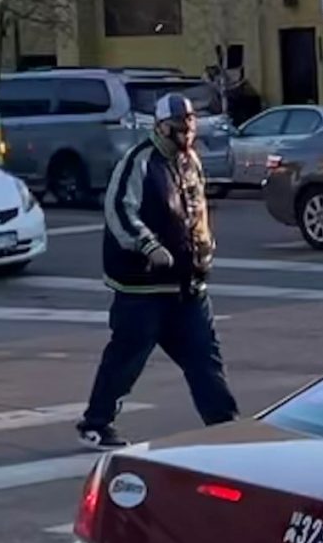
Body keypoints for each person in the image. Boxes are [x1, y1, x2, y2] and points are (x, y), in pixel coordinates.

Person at [78, 93, 238, 449]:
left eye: (189, 127)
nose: (184, 135)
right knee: (126, 357)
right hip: (142, 288)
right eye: (176, 129)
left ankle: (225, 426)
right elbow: (120, 209)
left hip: (188, 285)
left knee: (205, 359)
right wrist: (148, 245)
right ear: (160, 126)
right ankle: (97, 422)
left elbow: (197, 211)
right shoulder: (139, 161)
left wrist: (204, 249)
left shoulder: (189, 161)